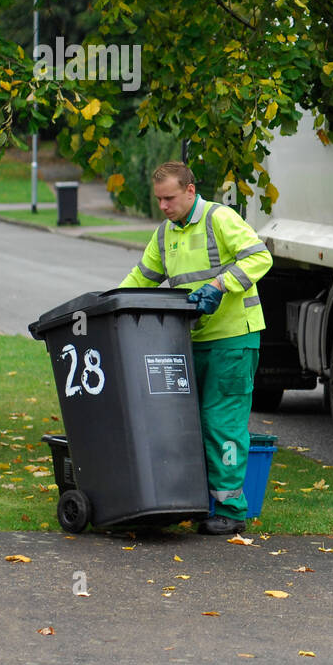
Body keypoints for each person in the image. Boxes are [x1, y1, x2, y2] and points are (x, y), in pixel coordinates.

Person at [118, 161, 273, 535]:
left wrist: (219, 285)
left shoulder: (219, 219)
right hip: (192, 341)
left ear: (190, 191)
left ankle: (232, 509)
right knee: (192, 424)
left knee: (222, 423)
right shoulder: (165, 234)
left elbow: (260, 257)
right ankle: (203, 502)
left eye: (170, 198)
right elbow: (142, 278)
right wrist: (110, 303)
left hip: (233, 339)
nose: (164, 206)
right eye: (159, 200)